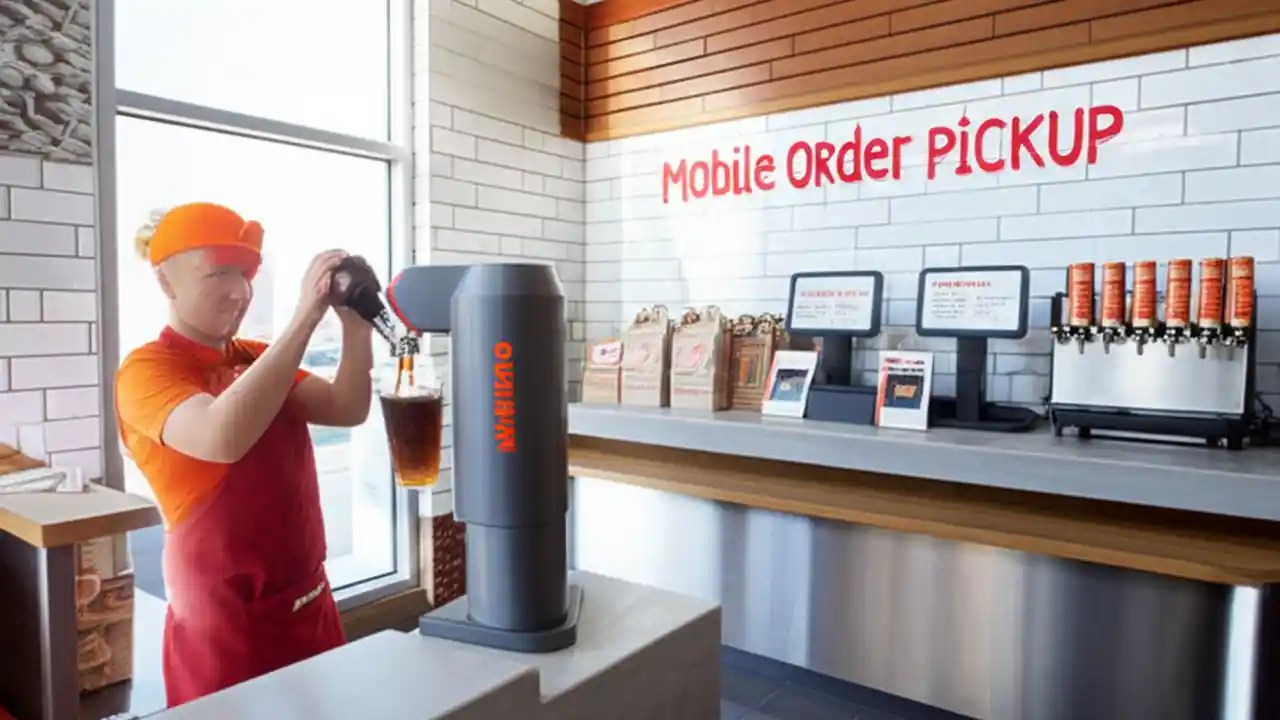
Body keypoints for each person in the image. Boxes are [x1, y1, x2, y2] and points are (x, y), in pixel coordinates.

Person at [113, 202, 374, 707]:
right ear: (165, 281)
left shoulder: (257, 356)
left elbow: (346, 407)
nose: (240, 291)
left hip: (308, 598)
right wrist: (305, 316)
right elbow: (221, 437)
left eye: (245, 274)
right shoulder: (146, 371)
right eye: (219, 273)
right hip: (222, 620)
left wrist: (354, 328)